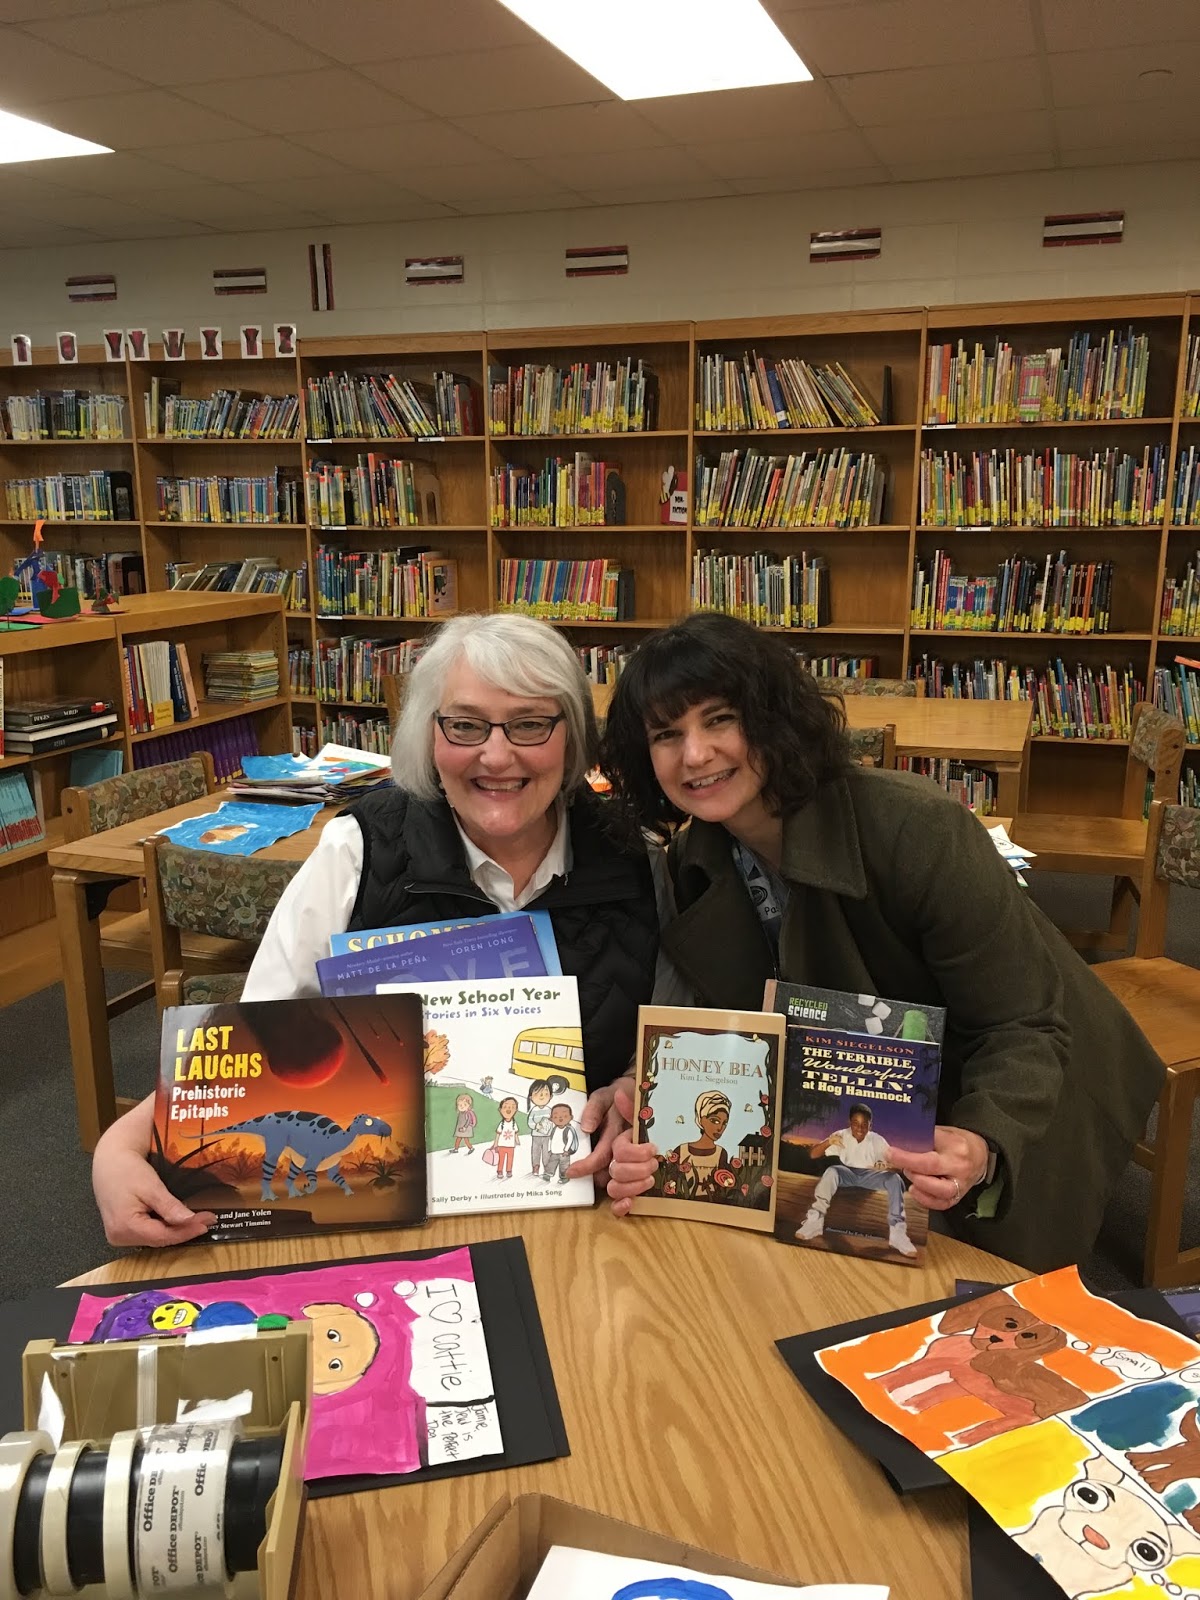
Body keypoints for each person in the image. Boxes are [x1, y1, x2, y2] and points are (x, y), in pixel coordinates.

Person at [599, 611, 1165, 1272]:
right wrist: (653, 1102)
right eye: (667, 734)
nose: (695, 754)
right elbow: (738, 1028)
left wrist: (983, 1139)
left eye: (720, 719)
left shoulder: (920, 828)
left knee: (984, 1280)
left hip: (1029, 1069)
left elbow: (1025, 1025)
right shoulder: (691, 861)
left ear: (773, 718)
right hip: (870, 1097)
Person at [93, 613, 663, 1247]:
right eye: (465, 725)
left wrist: (633, 1095)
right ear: (428, 735)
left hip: (590, 1219)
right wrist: (122, 1144)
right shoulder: (359, 849)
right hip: (383, 1225)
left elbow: (671, 1041)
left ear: (573, 736)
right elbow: (253, 1034)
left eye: (530, 724)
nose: (497, 755)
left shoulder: (637, 860)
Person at [796, 1104, 917, 1257]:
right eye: (855, 1123)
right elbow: (813, 1155)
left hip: (871, 1176)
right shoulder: (841, 1135)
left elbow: (898, 1167)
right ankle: (815, 1221)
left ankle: (897, 1233)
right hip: (847, 1173)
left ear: (870, 1125)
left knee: (895, 1179)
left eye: (864, 1124)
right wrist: (828, 1142)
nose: (859, 1128)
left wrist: (887, 1166)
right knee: (832, 1171)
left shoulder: (877, 1140)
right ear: (849, 1122)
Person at [664, 1089, 734, 1198]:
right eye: (715, 1121)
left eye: (724, 1123)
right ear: (701, 1120)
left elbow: (721, 1189)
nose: (720, 1128)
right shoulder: (681, 1150)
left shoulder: (721, 1153)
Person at [491, 1097, 520, 1179]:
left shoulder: (514, 1123)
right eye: (505, 1107)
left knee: (510, 1158)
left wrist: (517, 1140)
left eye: (512, 1107)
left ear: (516, 1110)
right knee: (501, 1158)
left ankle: (509, 1170)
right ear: (500, 1110)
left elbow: (515, 1133)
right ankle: (499, 1170)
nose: (509, 1109)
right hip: (502, 1145)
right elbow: (498, 1134)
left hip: (511, 1145)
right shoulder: (501, 1124)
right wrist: (495, 1143)